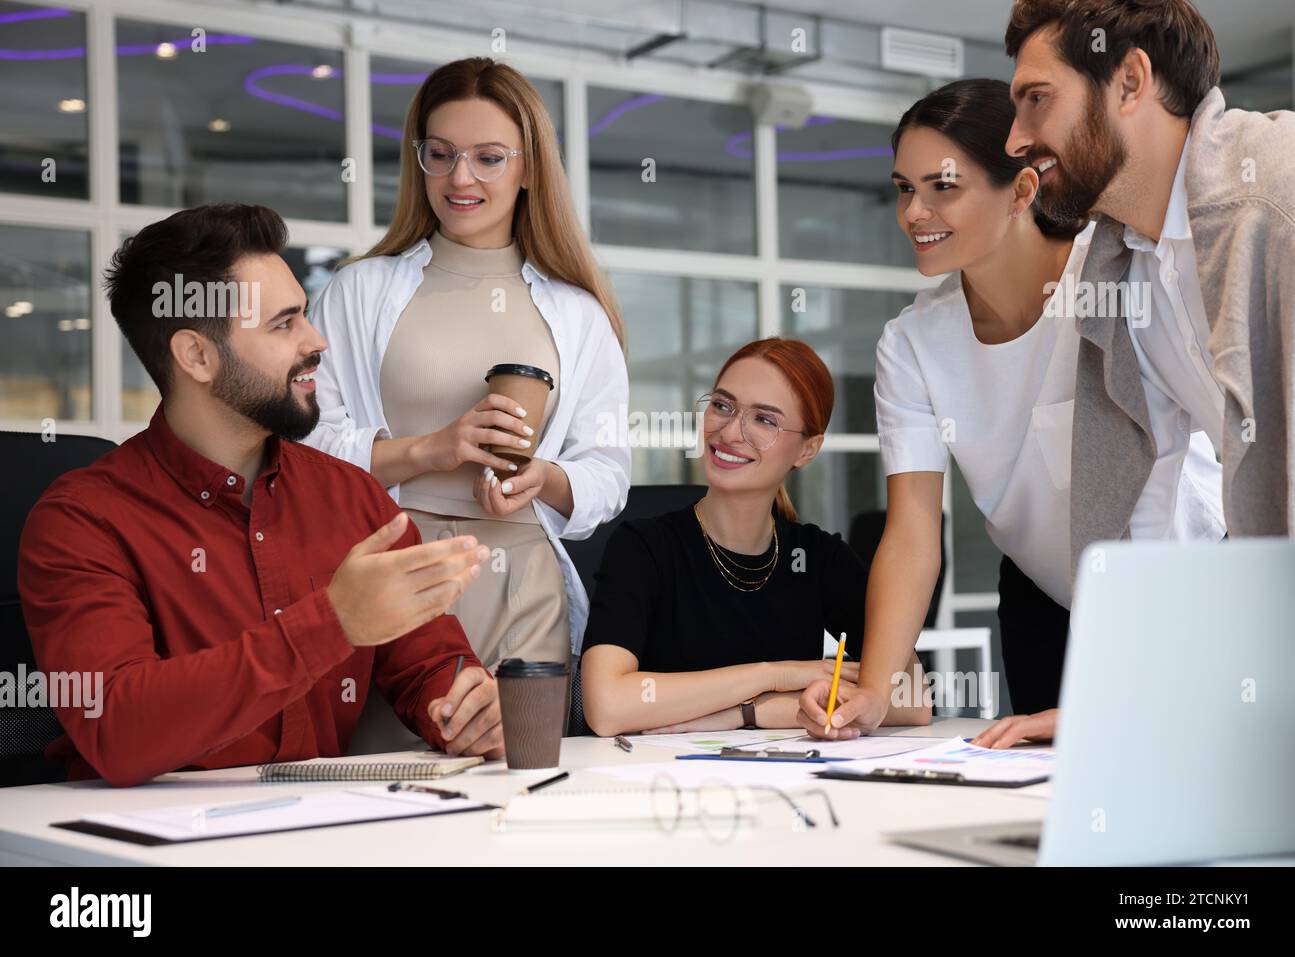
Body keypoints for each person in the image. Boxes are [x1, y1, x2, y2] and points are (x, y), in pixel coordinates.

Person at [793, 79, 1223, 744]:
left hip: (1185, 583)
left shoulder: (1114, 281)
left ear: (1022, 191)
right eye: (904, 188)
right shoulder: (912, 344)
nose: (914, 211)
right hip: (1045, 595)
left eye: (943, 186)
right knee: (1038, 787)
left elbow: (1162, 490)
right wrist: (876, 691)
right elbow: (912, 533)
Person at [18, 204, 502, 787]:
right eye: (284, 323)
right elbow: (116, 729)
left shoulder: (350, 496)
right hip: (142, 843)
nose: (316, 340)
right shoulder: (81, 521)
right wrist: (331, 623)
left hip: (325, 829)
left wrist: (468, 708)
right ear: (197, 355)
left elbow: (428, 667)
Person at [979, 0, 1295, 747]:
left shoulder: (1280, 198)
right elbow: (1140, 515)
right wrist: (1124, 702)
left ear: (1130, 81)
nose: (1016, 139)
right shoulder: (1117, 268)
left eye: (1037, 99)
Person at [305, 58, 630, 671]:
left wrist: (545, 479)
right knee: (386, 767)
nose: (461, 177)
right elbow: (305, 447)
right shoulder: (358, 290)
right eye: (442, 153)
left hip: (523, 581)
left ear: (529, 166)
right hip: (387, 574)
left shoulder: (578, 312)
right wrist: (433, 449)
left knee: (525, 765)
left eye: (488, 157)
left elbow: (608, 472)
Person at [580, 338, 931, 737]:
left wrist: (750, 712)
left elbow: (912, 699)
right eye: (722, 406)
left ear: (808, 449)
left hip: (793, 783)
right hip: (665, 782)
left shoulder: (817, 558)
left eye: (764, 420)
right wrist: (776, 674)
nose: (730, 431)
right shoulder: (643, 548)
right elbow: (606, 706)